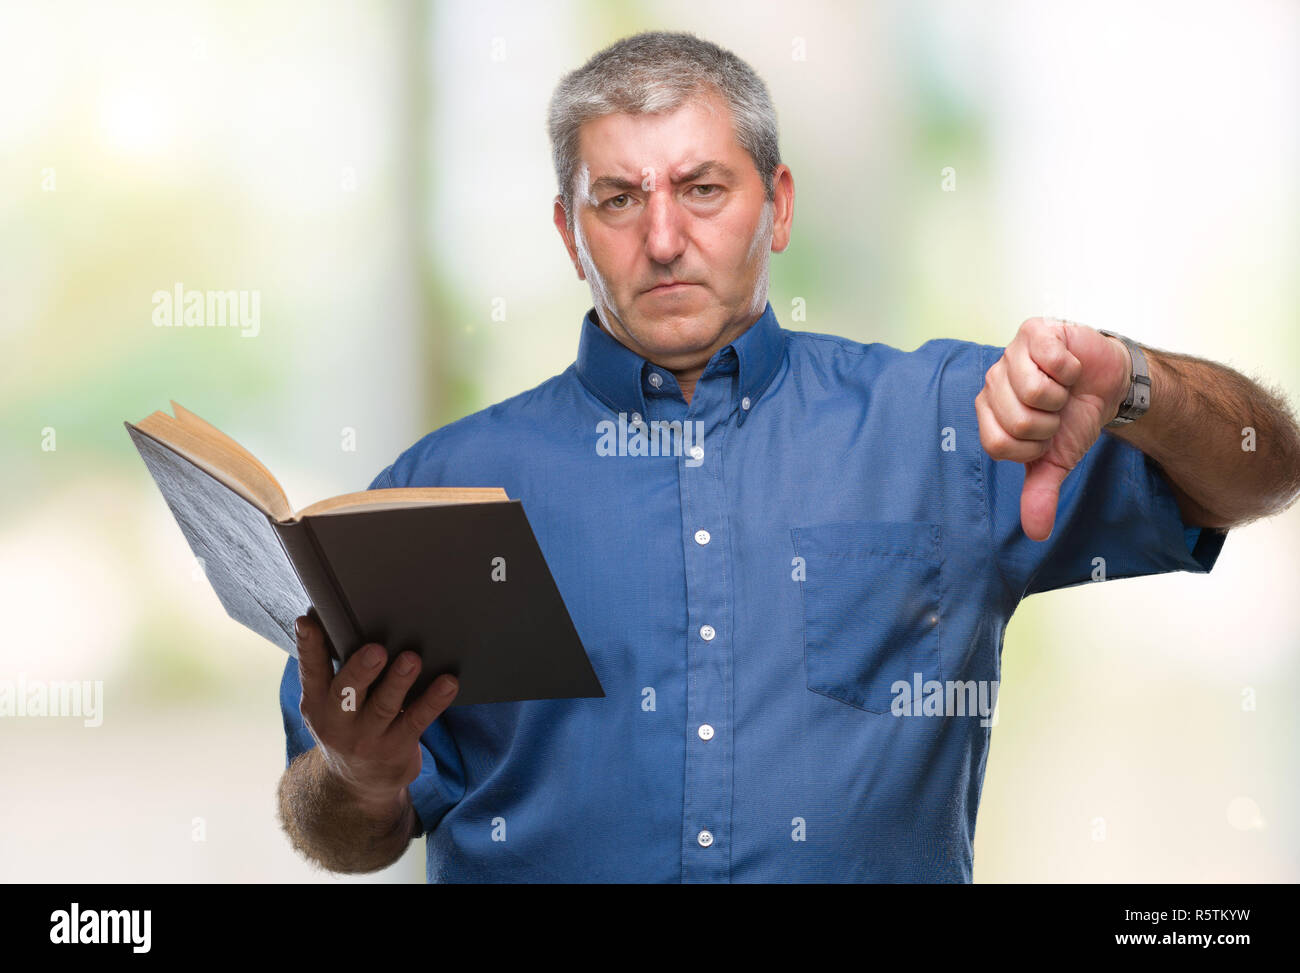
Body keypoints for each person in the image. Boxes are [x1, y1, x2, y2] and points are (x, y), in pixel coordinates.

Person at [276, 30, 1300, 882]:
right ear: (566, 230)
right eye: (619, 198)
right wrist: (357, 776)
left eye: (704, 188)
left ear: (779, 205)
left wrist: (1128, 380)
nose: (664, 236)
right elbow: (335, 834)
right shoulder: (432, 494)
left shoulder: (956, 421)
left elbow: (1265, 465)